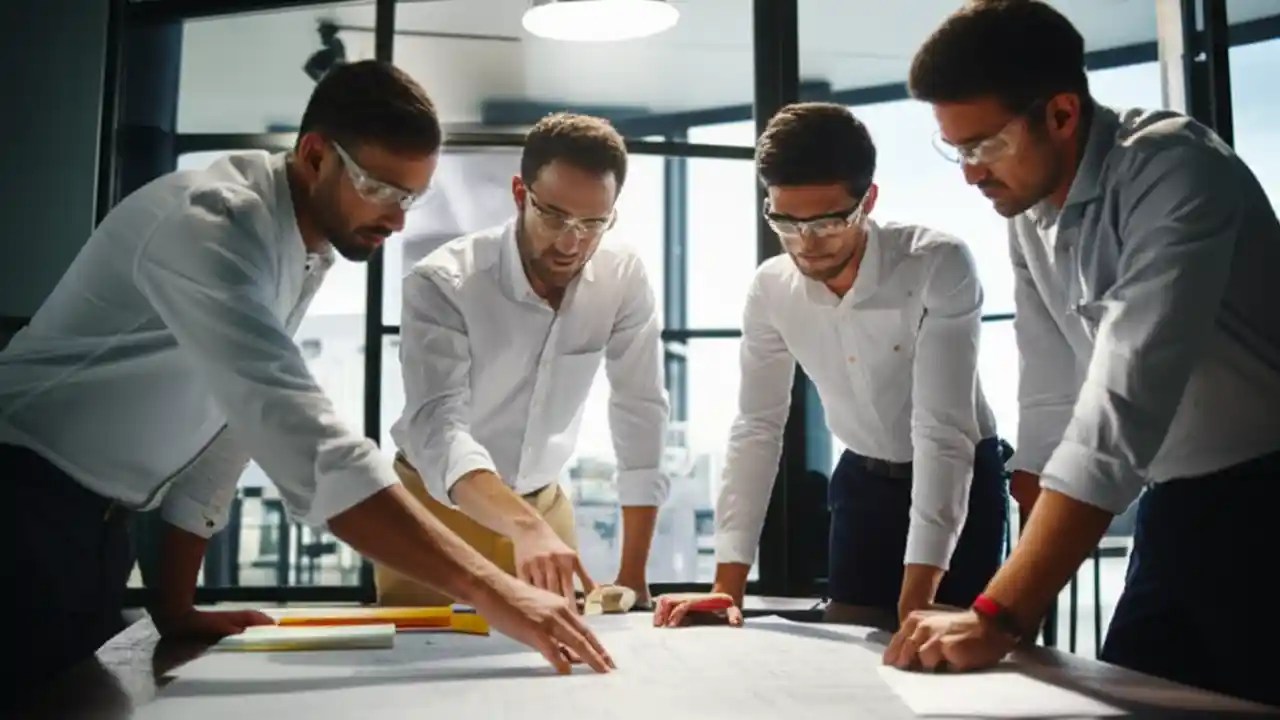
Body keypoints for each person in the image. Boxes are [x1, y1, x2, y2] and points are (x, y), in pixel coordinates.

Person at [0, 60, 612, 707]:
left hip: (97, 529)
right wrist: (495, 590)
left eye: (410, 197)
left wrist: (176, 610)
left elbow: (227, 438)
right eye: (380, 188)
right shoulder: (212, 222)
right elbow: (302, 436)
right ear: (316, 155)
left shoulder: (302, 248)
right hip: (20, 499)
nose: (398, 220)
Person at [884, 0, 1280, 708]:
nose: (970, 175)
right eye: (958, 150)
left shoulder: (1175, 170)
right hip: (1173, 502)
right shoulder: (1028, 208)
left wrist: (997, 614)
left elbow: (1123, 397)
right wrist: (1022, 588)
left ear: (1062, 113)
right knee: (1121, 699)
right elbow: (1051, 384)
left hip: (1266, 496)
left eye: (984, 146)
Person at [654, 103, 1008, 630]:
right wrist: (727, 589)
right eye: (786, 222)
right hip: (863, 481)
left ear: (869, 200)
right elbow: (757, 428)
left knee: (946, 651)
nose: (806, 243)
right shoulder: (771, 288)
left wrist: (915, 601)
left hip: (962, 474)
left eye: (828, 222)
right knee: (853, 644)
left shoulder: (937, 262)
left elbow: (942, 431)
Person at [377, 112, 669, 610]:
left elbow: (639, 409)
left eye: (593, 223)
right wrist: (523, 527)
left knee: (565, 655)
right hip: (433, 509)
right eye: (554, 216)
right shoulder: (444, 282)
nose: (571, 243)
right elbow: (438, 428)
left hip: (543, 506)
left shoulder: (621, 277)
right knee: (424, 653)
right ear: (519, 194)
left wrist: (634, 574)